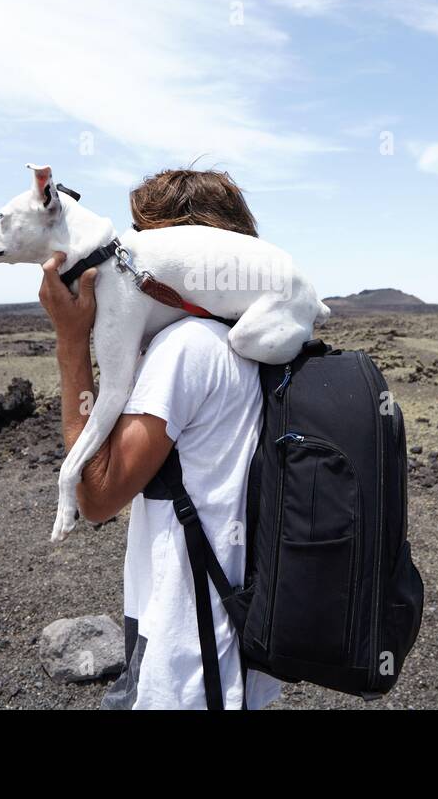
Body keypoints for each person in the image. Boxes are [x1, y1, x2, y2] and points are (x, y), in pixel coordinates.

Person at [37, 169, 281, 710]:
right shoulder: (256, 339)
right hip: (240, 634)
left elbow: (96, 497)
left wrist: (72, 341)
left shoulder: (186, 349)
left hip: (192, 656)